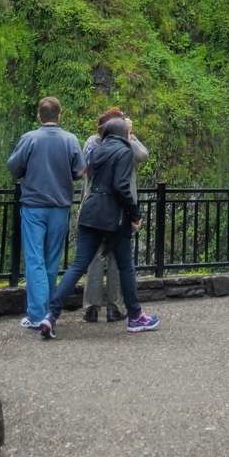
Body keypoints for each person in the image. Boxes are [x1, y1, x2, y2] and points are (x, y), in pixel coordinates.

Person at [40, 117, 158, 338]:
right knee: (125, 266)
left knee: (77, 266)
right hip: (113, 215)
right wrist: (135, 214)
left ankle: (51, 315)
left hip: (90, 210)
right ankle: (135, 317)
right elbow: (122, 186)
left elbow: (92, 177)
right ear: (125, 134)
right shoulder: (123, 151)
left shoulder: (97, 150)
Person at [7, 97, 84, 330]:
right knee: (52, 260)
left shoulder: (29, 139)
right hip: (60, 207)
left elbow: (13, 168)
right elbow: (80, 171)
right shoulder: (71, 139)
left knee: (34, 259)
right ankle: (49, 312)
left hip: (33, 206)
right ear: (60, 115)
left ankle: (36, 314)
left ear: (39, 116)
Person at [81, 107, 149, 323]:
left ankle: (110, 307)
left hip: (100, 209)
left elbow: (143, 156)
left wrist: (130, 136)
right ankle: (99, 306)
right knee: (103, 257)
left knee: (110, 258)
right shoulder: (96, 142)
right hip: (115, 209)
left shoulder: (120, 142)